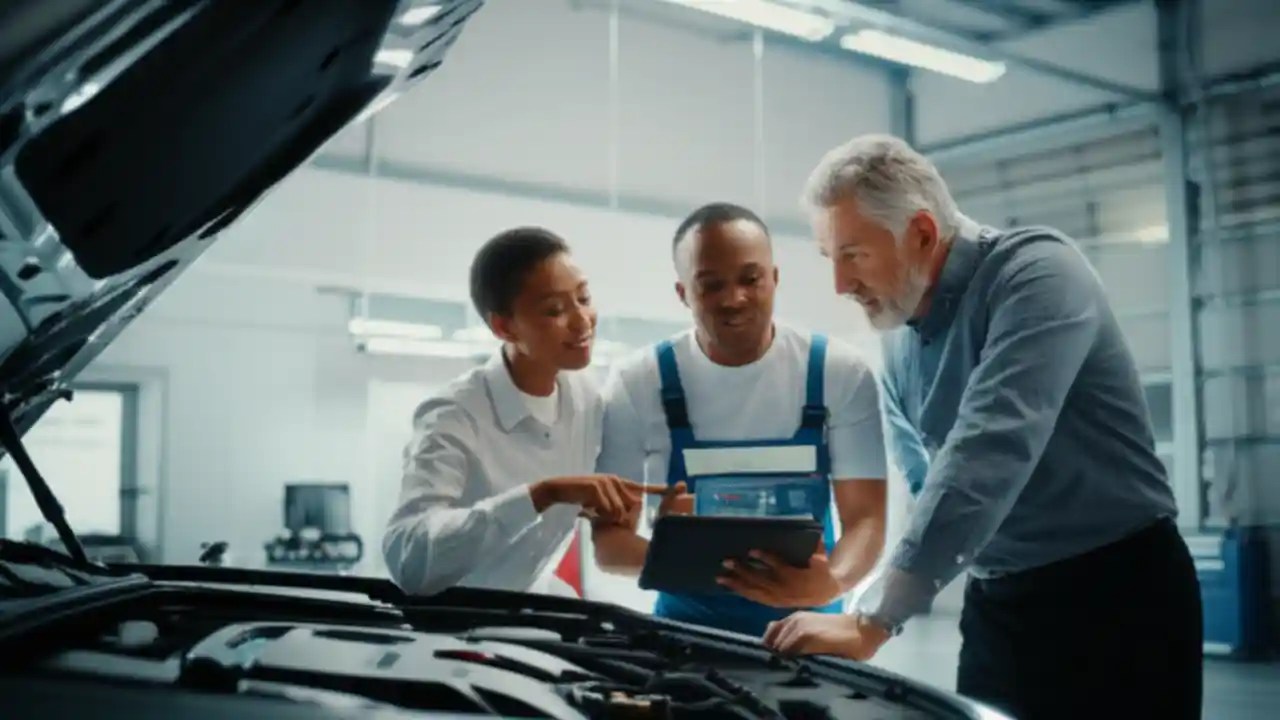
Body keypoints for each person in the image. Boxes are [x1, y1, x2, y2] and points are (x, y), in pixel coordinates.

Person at [764, 134, 1203, 719]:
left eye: (854, 255)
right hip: (1000, 603)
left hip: (1118, 592)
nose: (841, 285)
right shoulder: (897, 338)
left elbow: (989, 448)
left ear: (921, 234)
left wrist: (872, 618)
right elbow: (930, 483)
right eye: (831, 259)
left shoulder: (1039, 275)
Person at [592, 202, 889, 637]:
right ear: (683, 294)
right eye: (711, 285)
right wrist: (676, 552)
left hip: (811, 630)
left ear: (774, 278)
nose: (734, 299)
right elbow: (609, 544)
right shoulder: (639, 382)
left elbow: (866, 518)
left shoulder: (837, 373)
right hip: (685, 637)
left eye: (750, 279)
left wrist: (834, 581)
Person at [382, 226, 657, 597]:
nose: (582, 320)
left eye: (584, 297)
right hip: (449, 625)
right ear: (504, 326)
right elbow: (409, 558)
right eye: (555, 310)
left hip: (531, 610)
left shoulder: (587, 398)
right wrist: (541, 495)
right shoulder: (453, 414)